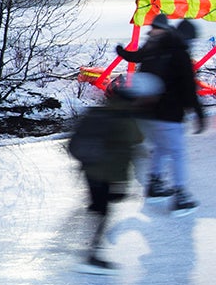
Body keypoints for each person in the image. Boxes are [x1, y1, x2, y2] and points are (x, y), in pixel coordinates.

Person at [115, 14, 207, 213]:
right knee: (177, 152)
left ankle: (155, 184)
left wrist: (121, 52)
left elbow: (137, 60)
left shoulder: (155, 46)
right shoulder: (180, 54)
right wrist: (199, 113)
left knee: (161, 147)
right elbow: (189, 89)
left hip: (147, 112)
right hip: (169, 113)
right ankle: (180, 195)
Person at [69, 73, 160, 270]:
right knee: (102, 212)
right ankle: (91, 254)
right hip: (106, 173)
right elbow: (132, 145)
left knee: (98, 209)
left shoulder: (102, 112)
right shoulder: (125, 119)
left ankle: (90, 248)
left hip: (90, 169)